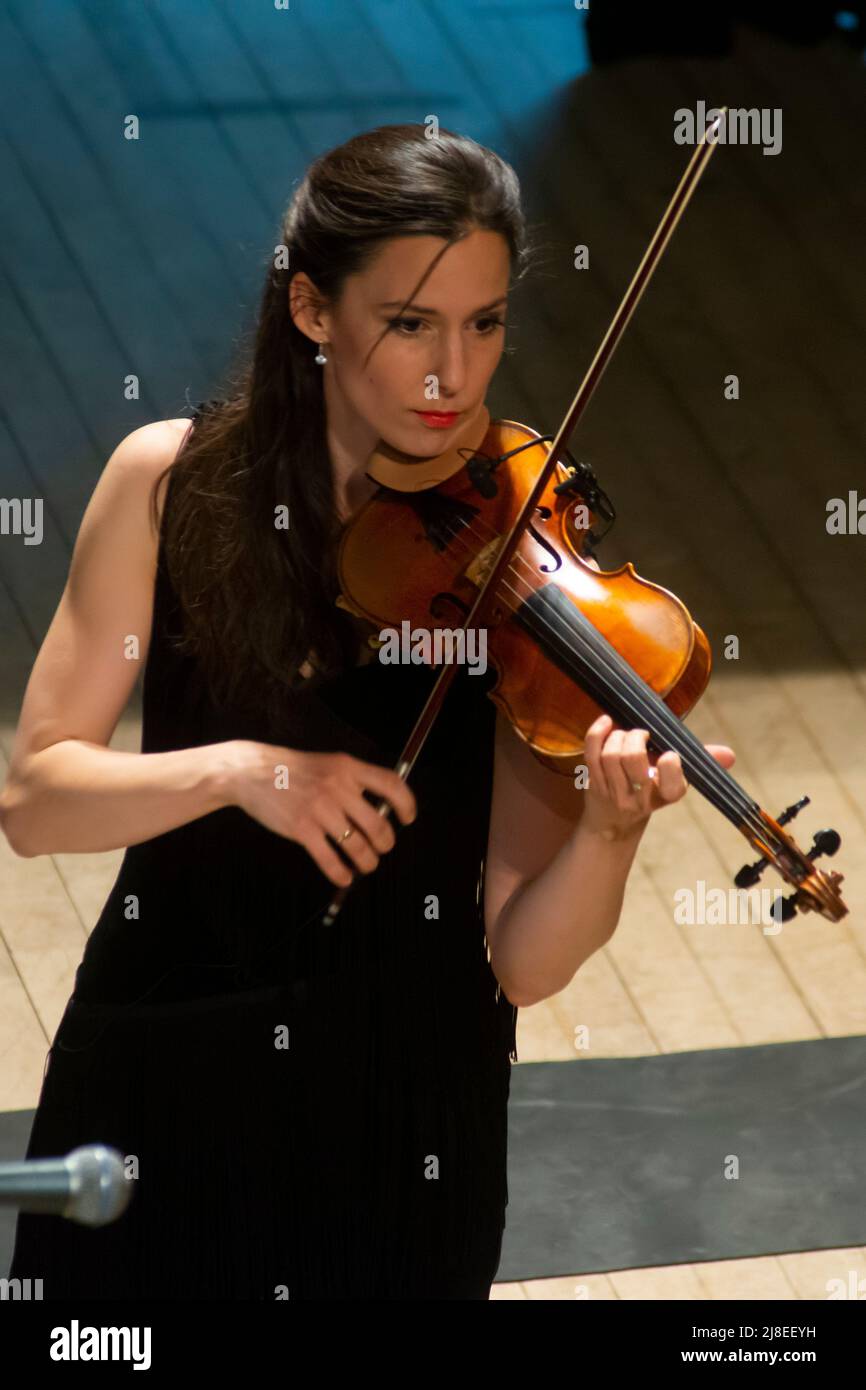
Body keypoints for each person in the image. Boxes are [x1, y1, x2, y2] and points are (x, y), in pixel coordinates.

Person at [1, 123, 734, 1300]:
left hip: (407, 1112)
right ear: (310, 312)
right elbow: (35, 801)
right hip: (161, 1061)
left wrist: (610, 832)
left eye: (483, 323)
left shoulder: (523, 562)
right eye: (409, 325)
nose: (454, 373)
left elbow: (523, 956)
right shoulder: (167, 484)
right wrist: (240, 772)